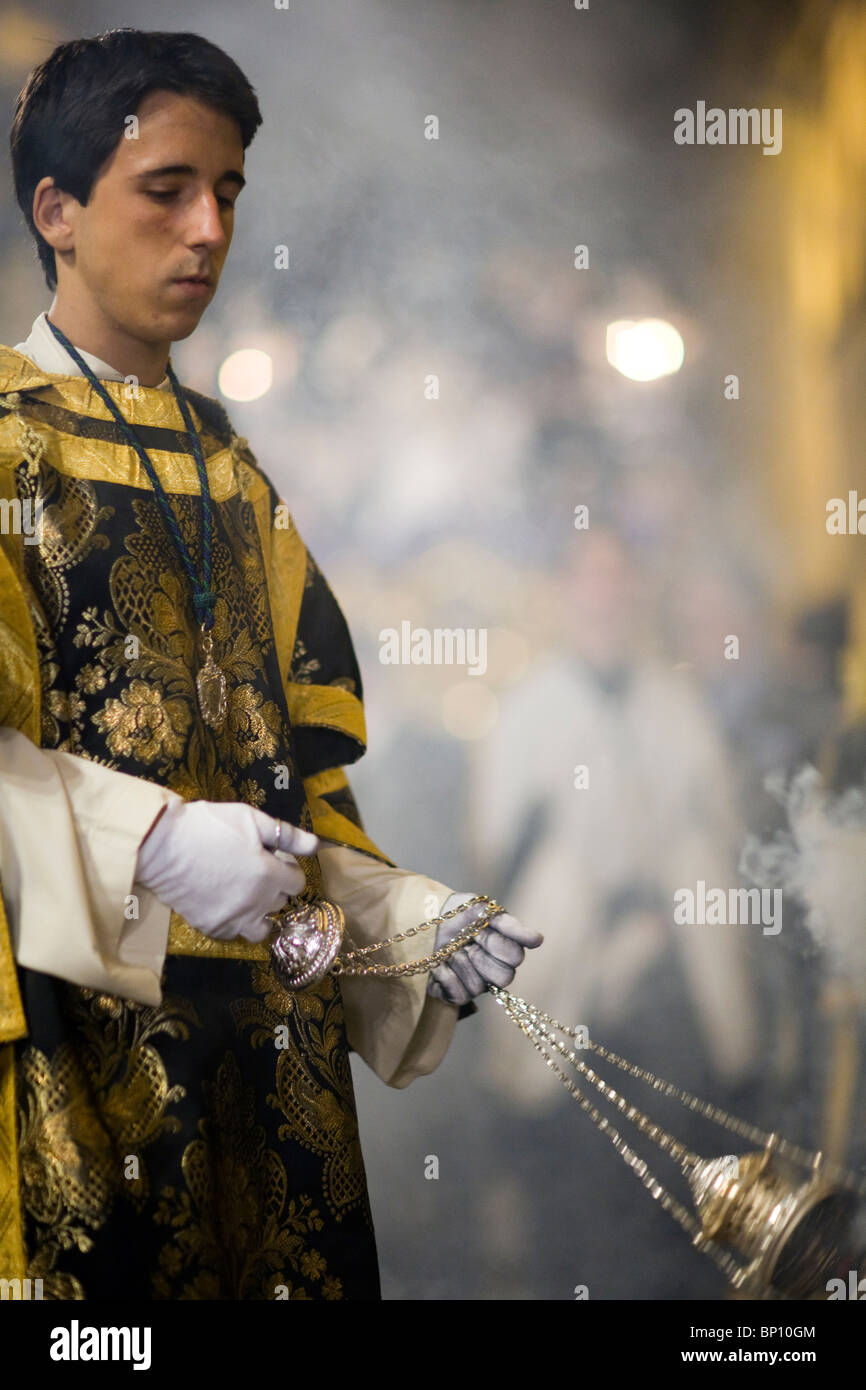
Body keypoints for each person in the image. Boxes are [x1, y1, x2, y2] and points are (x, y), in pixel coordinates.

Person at [0, 29, 541, 1301]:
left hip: (269, 1062)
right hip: (74, 1049)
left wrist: (395, 918)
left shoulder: (233, 473)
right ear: (58, 211)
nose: (207, 231)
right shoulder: (7, 452)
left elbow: (294, 791)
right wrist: (146, 844)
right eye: (166, 190)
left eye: (229, 194)